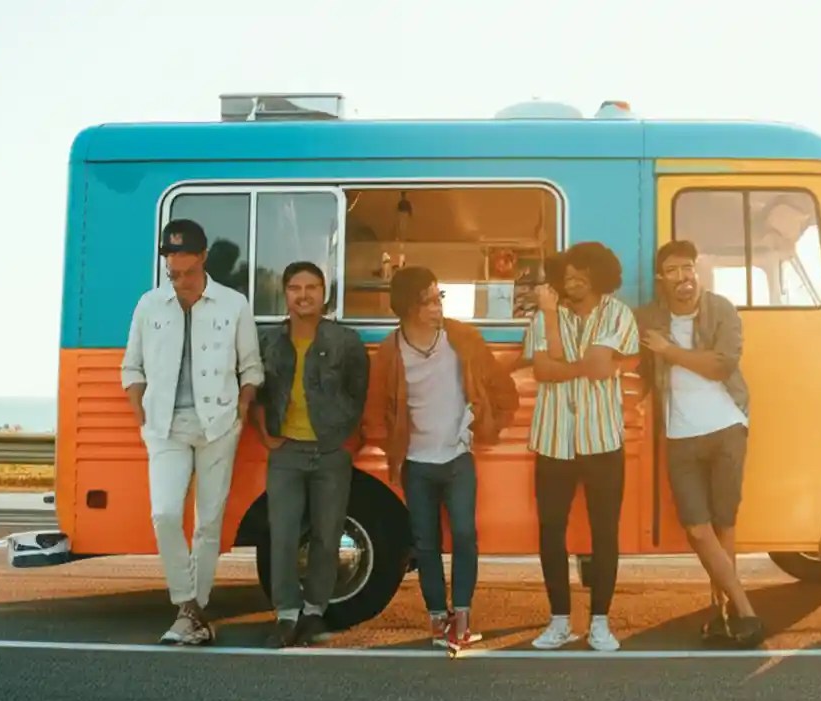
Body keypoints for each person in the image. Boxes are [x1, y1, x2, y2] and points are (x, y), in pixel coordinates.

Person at [120, 218, 263, 646]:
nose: (179, 280)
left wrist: (243, 404)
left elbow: (251, 366)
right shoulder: (150, 305)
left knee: (208, 522)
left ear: (202, 258)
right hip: (164, 426)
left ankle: (190, 616)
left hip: (219, 424)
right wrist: (139, 407)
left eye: (186, 270)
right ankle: (188, 604)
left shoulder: (233, 304)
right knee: (164, 513)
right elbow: (132, 365)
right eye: (172, 272)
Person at [368, 266, 519, 653]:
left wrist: (486, 425)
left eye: (440, 298)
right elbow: (375, 412)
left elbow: (503, 388)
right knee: (426, 542)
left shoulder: (461, 338)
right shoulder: (390, 351)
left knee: (466, 535)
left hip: (458, 457)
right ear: (409, 308)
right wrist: (393, 451)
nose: (438, 306)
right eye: (430, 300)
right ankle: (438, 617)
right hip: (416, 464)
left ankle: (462, 618)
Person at [635, 239, 765, 649]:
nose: (682, 278)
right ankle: (745, 611)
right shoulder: (650, 317)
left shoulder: (721, 309)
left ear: (697, 271)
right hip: (680, 434)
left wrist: (669, 350)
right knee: (697, 527)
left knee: (724, 524)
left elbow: (720, 365)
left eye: (687, 268)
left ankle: (725, 614)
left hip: (726, 425)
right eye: (672, 271)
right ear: (662, 278)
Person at [523, 241, 639, 652]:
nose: (571, 281)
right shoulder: (545, 315)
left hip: (602, 439)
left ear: (598, 274)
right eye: (565, 275)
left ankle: (600, 623)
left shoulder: (619, 314)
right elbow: (543, 369)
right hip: (553, 439)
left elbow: (593, 363)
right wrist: (552, 315)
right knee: (551, 530)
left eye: (579, 274)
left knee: (604, 532)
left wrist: (567, 369)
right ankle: (559, 621)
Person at [254, 261, 370, 648]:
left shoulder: (345, 341)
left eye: (311, 287)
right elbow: (255, 389)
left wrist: (347, 438)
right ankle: (286, 615)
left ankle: (315, 613)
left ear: (324, 293)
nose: (303, 295)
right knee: (283, 535)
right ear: (284, 293)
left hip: (331, 452)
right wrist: (265, 434)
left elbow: (359, 391)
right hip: (285, 451)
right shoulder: (269, 341)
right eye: (294, 287)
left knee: (327, 534)